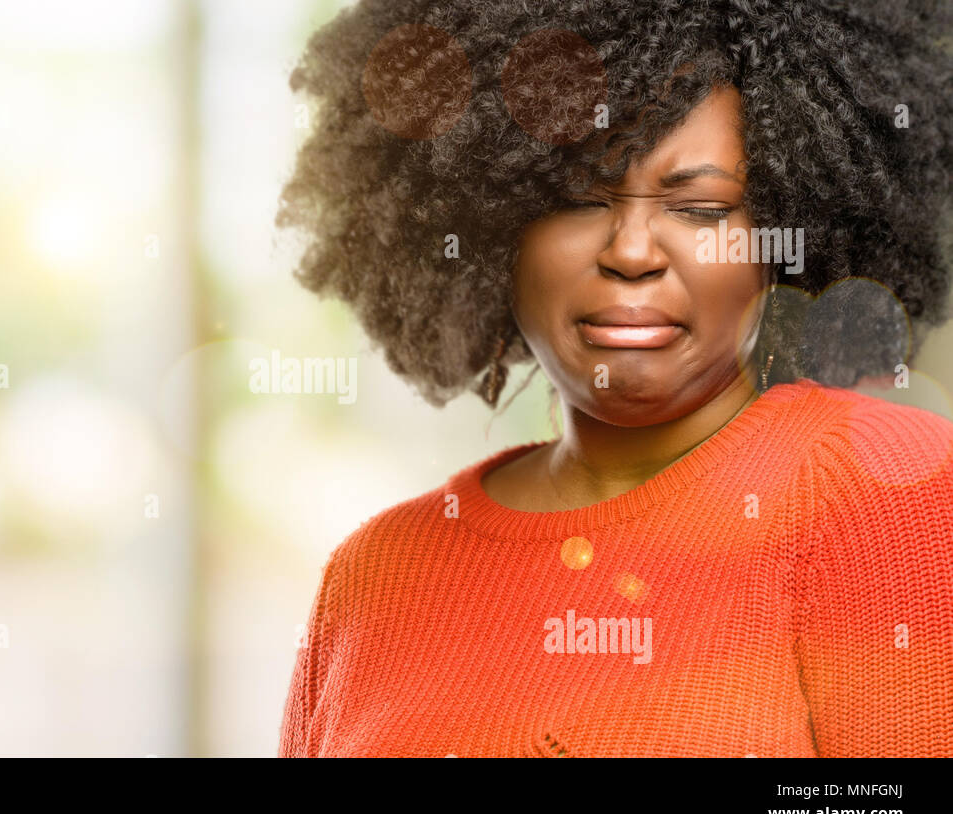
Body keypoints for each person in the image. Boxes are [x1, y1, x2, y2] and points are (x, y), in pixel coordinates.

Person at [275, 0, 953, 756]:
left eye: (699, 209)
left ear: (785, 238)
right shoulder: (372, 575)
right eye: (576, 200)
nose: (633, 251)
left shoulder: (885, 487)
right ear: (492, 222)